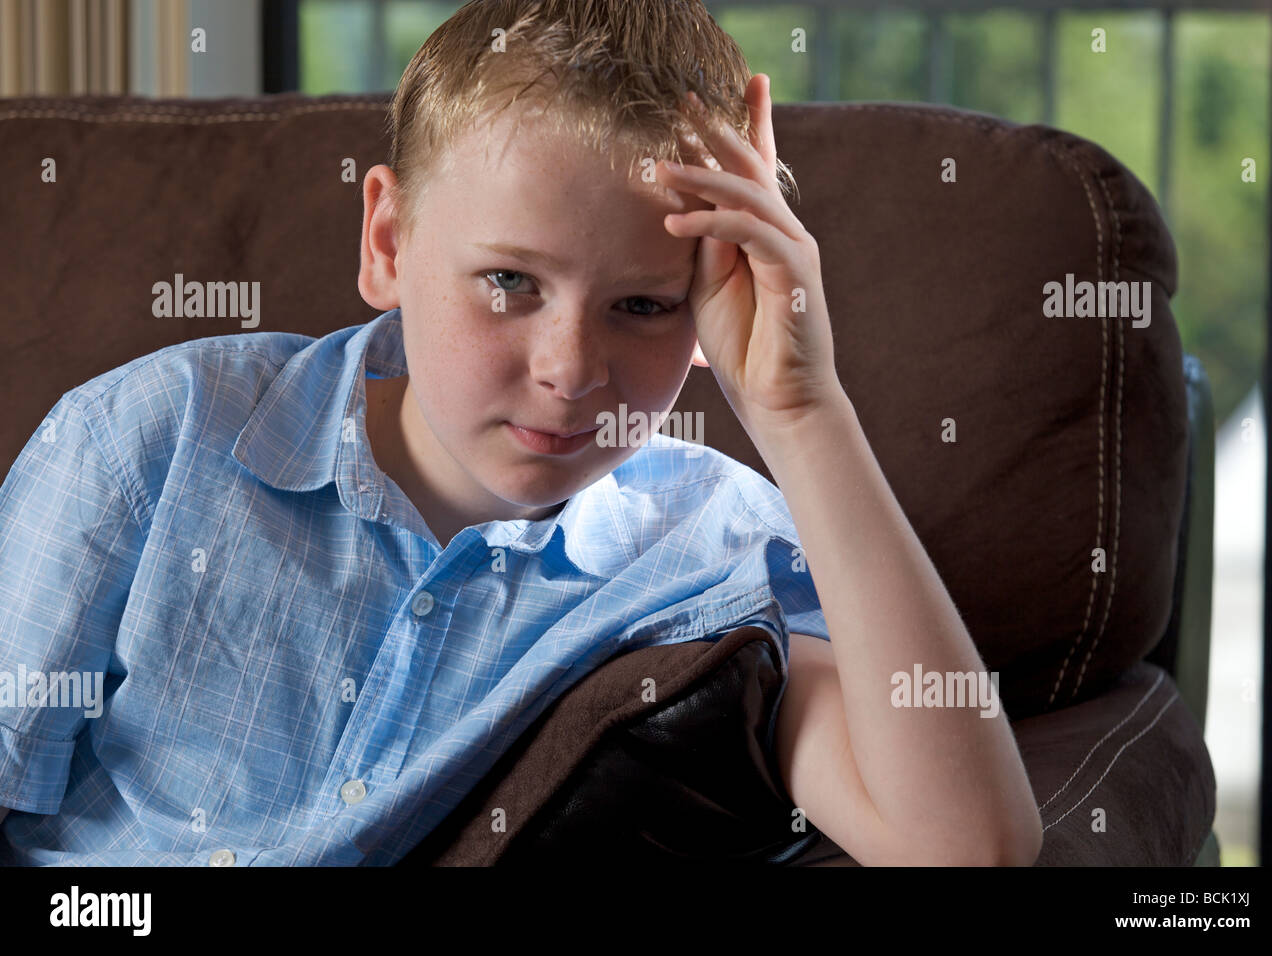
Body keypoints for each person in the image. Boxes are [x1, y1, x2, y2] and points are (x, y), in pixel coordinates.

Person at [0, 0, 1041, 866]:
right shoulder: (149, 439)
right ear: (388, 240)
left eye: (644, 305)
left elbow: (965, 847)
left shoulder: (717, 549)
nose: (570, 369)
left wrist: (803, 413)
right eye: (509, 282)